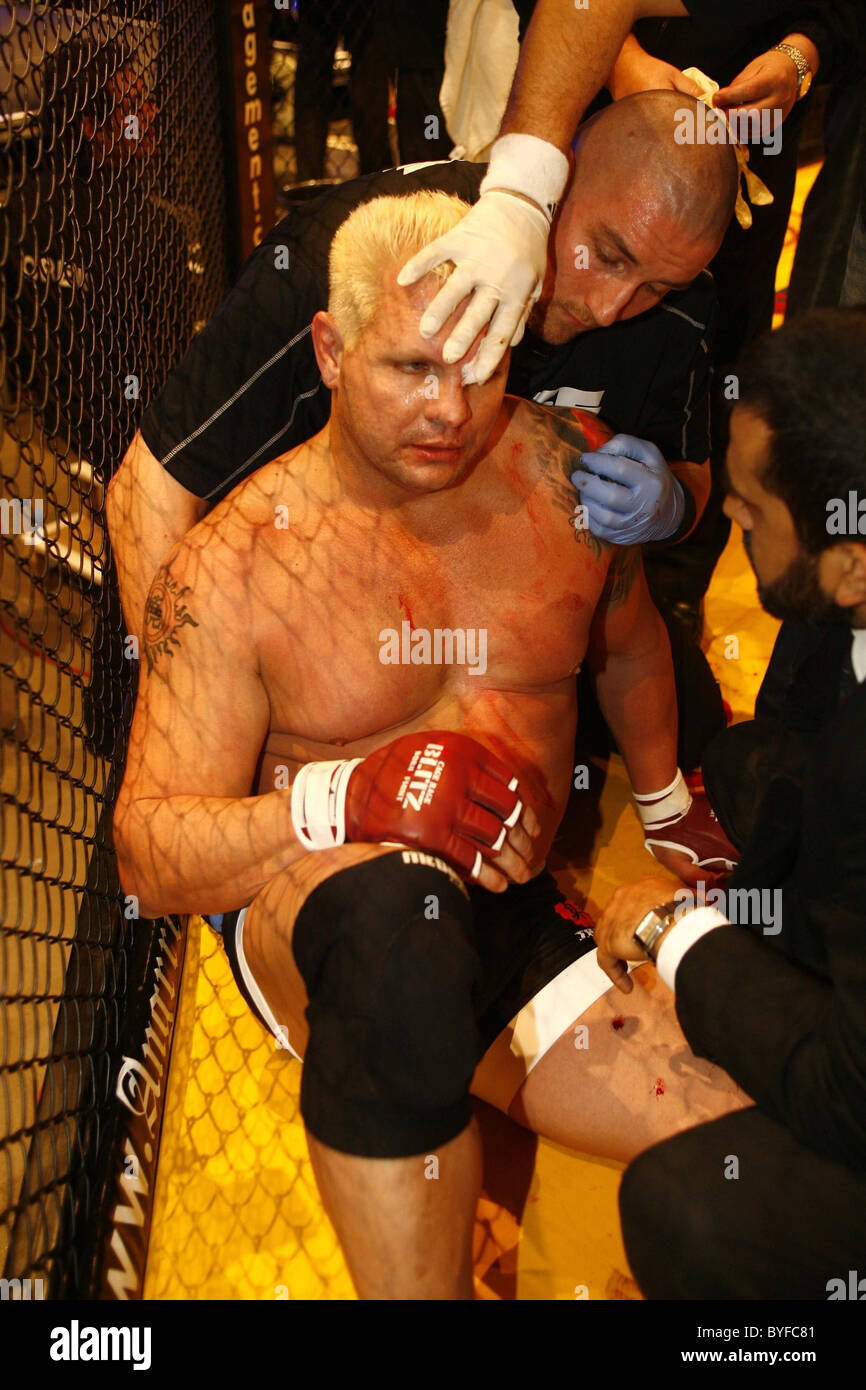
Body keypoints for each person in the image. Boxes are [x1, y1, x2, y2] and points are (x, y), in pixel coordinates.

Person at [113, 192, 740, 1300]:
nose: (449, 408)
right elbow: (149, 852)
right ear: (330, 346)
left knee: (749, 1126)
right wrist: (351, 798)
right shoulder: (235, 564)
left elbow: (629, 644)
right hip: (333, 912)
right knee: (401, 929)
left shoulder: (561, 471)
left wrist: (658, 810)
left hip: (510, 907)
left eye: (480, 363)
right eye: (409, 367)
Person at [107, 92, 738, 766]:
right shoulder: (360, 253)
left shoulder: (680, 311)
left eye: (659, 286)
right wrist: (193, 720)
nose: (616, 306)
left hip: (484, 625)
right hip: (294, 628)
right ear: (552, 177)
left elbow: (692, 478)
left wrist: (668, 507)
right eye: (607, 254)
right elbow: (147, 488)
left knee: (691, 729)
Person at [593, 307, 866, 1299]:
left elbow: (850, 1095)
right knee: (752, 763)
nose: (731, 524)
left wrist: (679, 937)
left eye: (748, 512)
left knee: (690, 1211)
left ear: (851, 561)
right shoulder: (835, 598)